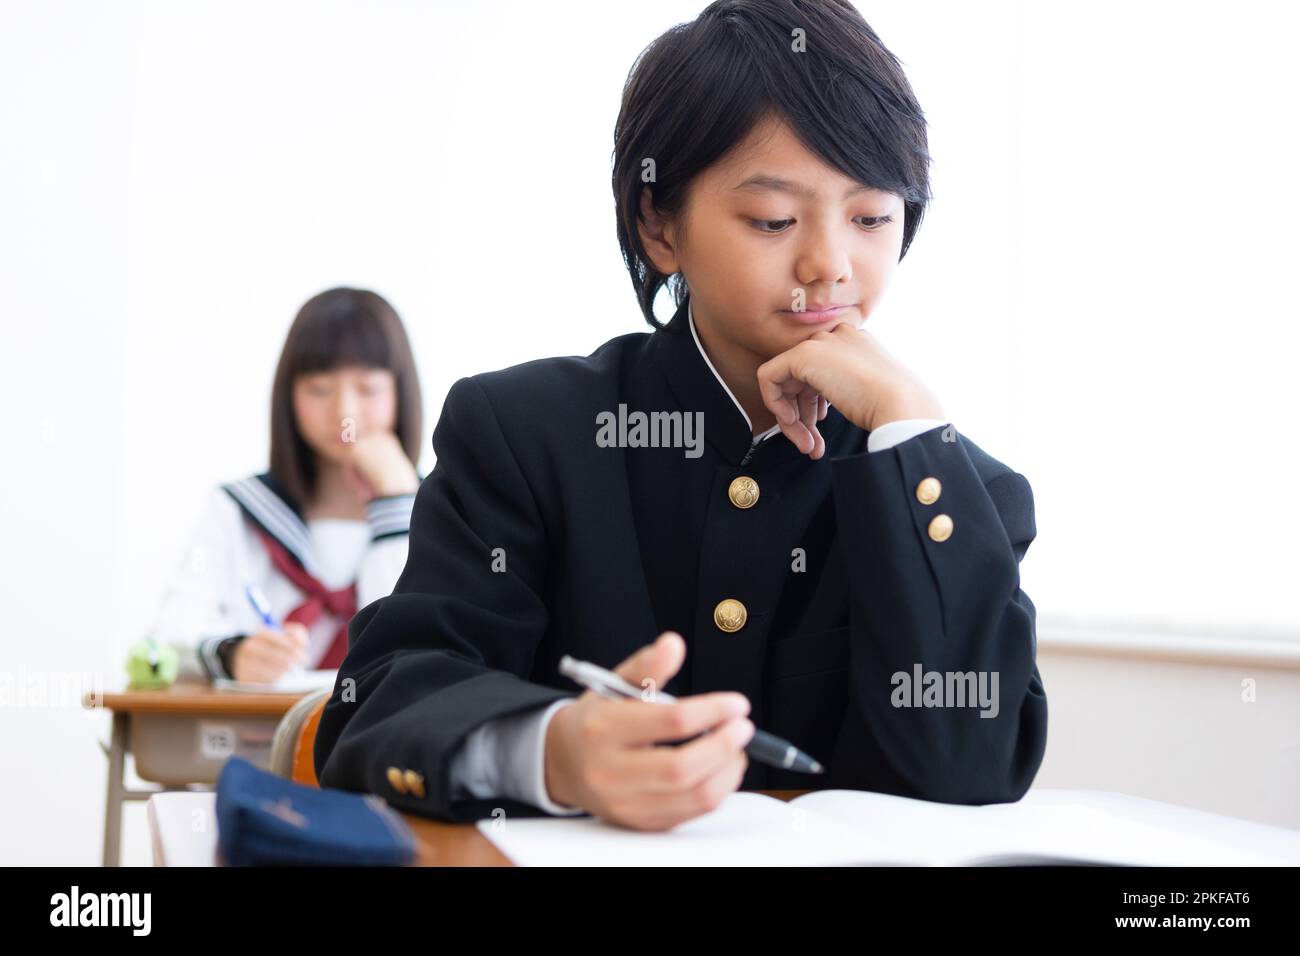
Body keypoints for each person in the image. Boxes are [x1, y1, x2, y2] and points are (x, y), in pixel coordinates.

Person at [315, 0, 1046, 830]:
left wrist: (911, 425)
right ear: (659, 224)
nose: (831, 264)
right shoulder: (521, 433)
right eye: (773, 218)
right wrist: (553, 749)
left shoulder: (957, 489)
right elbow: (373, 701)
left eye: (873, 217)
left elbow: (971, 767)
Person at [147, 287, 424, 683]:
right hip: (263, 736)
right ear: (288, 395)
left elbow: (418, 649)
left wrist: (397, 508)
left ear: (401, 391)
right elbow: (169, 636)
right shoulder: (239, 511)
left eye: (368, 389)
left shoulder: (444, 511)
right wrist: (232, 653)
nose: (344, 412)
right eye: (319, 390)